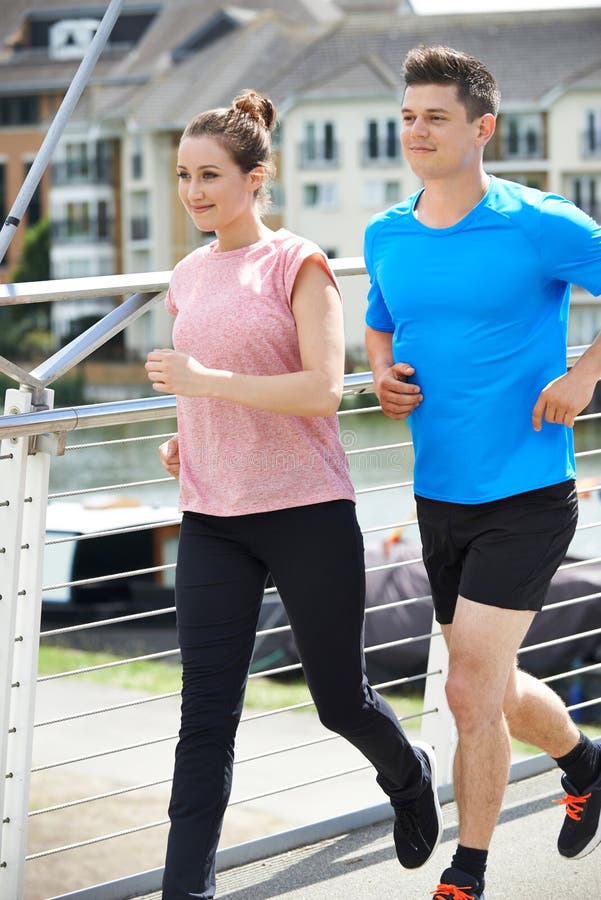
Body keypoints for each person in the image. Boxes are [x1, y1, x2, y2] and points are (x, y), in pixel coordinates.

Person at [145, 88, 442, 900]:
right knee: (204, 720)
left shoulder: (298, 263)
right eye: (182, 175)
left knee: (340, 701)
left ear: (255, 177)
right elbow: (207, 390)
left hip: (306, 511)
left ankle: (408, 775)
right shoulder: (184, 275)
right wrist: (188, 427)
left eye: (210, 174)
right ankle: (187, 891)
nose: (194, 191)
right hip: (212, 518)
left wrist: (206, 382)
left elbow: (320, 390)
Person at [364, 45, 601, 900]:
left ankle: (467, 874)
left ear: (481, 128)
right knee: (490, 688)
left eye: (435, 116)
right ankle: (583, 758)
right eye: (408, 115)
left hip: (528, 493)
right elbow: (382, 322)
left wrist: (582, 375)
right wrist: (382, 374)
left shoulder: (537, 221)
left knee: (467, 691)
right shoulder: (384, 232)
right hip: (438, 496)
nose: (416, 130)